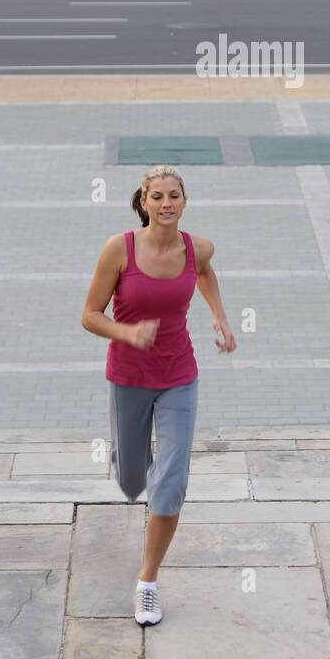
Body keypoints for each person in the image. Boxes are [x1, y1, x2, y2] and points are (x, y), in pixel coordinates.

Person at [80, 165, 236, 626]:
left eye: (174, 195)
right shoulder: (119, 249)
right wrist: (127, 333)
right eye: (158, 196)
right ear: (143, 202)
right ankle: (135, 463)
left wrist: (220, 317)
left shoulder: (198, 247)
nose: (166, 203)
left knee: (169, 482)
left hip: (178, 375)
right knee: (132, 481)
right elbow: (89, 314)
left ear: (184, 201)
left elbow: (205, 272)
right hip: (128, 377)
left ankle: (147, 583)